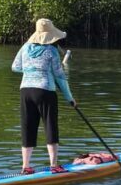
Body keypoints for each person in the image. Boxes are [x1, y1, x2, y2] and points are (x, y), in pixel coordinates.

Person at [12, 18, 77, 175]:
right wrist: (70, 99)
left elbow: (15, 67)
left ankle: (26, 167)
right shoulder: (52, 51)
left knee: (28, 127)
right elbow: (60, 77)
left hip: (25, 91)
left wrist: (31, 70)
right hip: (45, 91)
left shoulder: (25, 47)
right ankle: (54, 166)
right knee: (50, 126)